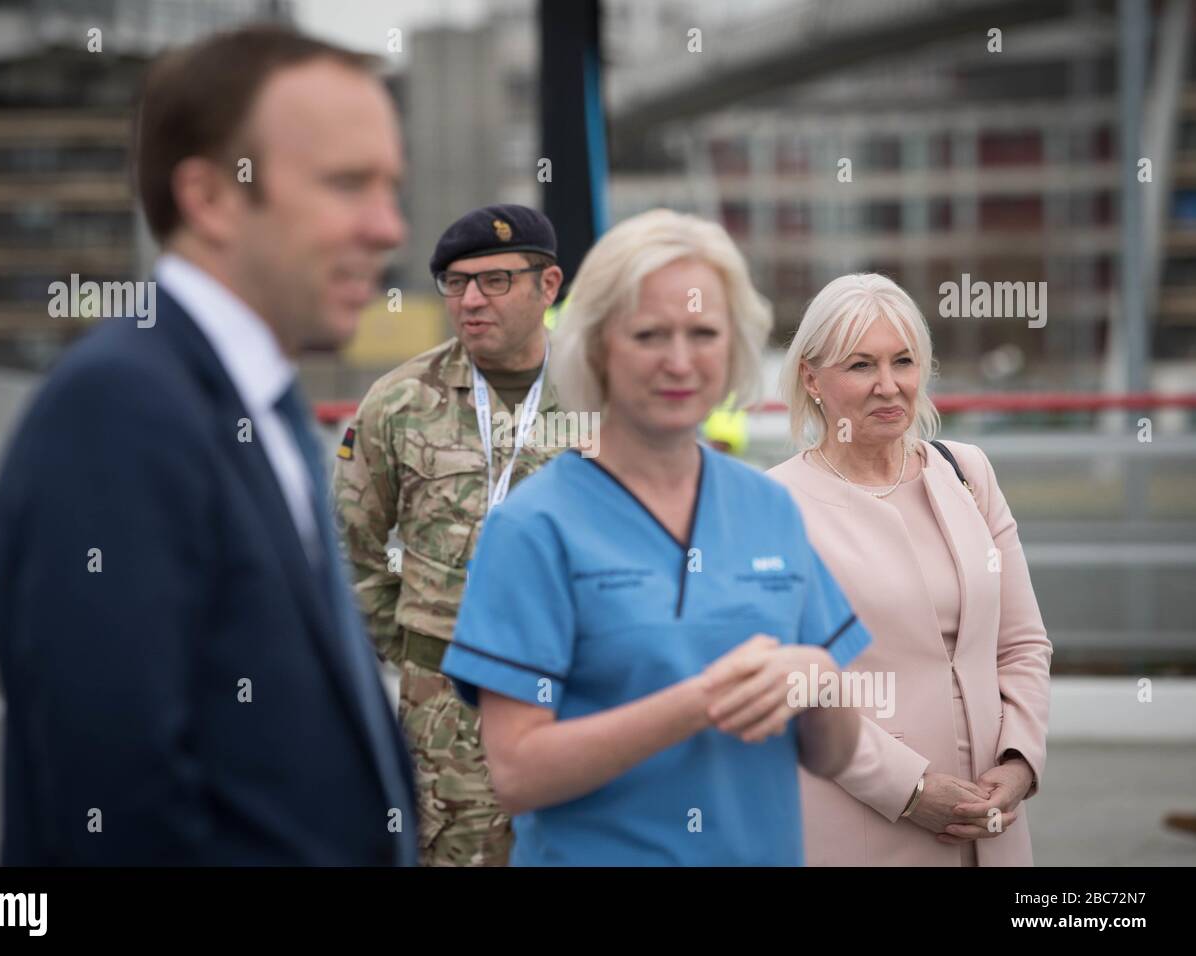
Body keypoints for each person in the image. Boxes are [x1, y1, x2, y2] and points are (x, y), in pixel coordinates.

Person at [0, 25, 416, 865]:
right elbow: (115, 809)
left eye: (391, 188)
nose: (387, 227)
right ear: (212, 198)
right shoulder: (117, 413)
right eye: (347, 184)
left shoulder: (253, 408)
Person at [440, 209, 870, 865]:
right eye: (649, 335)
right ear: (597, 348)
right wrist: (700, 702)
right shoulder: (534, 526)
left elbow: (832, 757)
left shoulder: (769, 508)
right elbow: (518, 774)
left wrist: (821, 680)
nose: (680, 361)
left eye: (704, 333)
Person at [769, 272, 1052, 865]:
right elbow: (792, 690)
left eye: (903, 361)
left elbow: (1022, 643)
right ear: (812, 379)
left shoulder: (967, 473)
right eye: (861, 365)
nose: (889, 385)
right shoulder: (775, 505)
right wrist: (910, 789)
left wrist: (1020, 761)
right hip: (858, 826)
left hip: (993, 825)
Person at [333, 204, 565, 866]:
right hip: (444, 719)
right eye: (455, 283)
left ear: (548, 285)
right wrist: (415, 648)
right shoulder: (399, 402)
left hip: (575, 695)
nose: (471, 300)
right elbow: (349, 548)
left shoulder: (602, 396)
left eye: (495, 281)